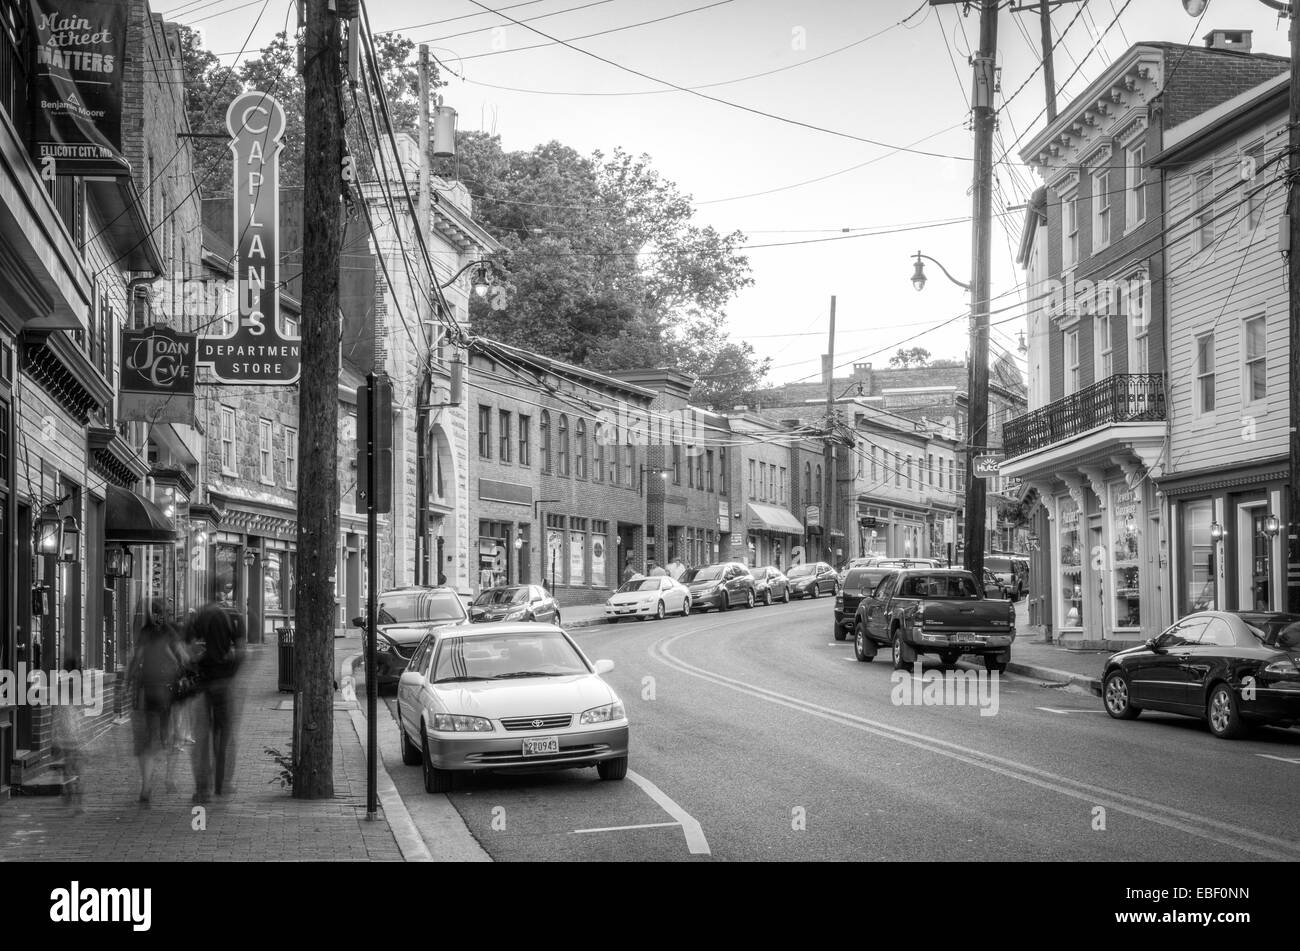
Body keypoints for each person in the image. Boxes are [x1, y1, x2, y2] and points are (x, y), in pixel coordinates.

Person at [126, 599, 183, 805]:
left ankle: (146, 786)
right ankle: (169, 777)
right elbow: (182, 658)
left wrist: (126, 684)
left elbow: (136, 659)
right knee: (170, 735)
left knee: (149, 740)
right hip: (166, 690)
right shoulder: (170, 632)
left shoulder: (145, 633)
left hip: (147, 690)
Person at [189, 592, 245, 802]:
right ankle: (223, 783)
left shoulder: (199, 616)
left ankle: (202, 788)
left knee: (202, 737)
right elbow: (241, 652)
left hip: (203, 685)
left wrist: (198, 665)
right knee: (226, 735)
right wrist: (231, 673)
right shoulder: (234, 617)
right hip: (225, 684)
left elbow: (189, 648)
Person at [52, 655, 86, 813]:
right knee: (76, 767)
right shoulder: (80, 687)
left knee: (67, 765)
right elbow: (82, 712)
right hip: (75, 734)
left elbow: (58, 712)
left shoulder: (62, 686)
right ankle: (77, 800)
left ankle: (68, 791)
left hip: (65, 732)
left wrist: (55, 735)